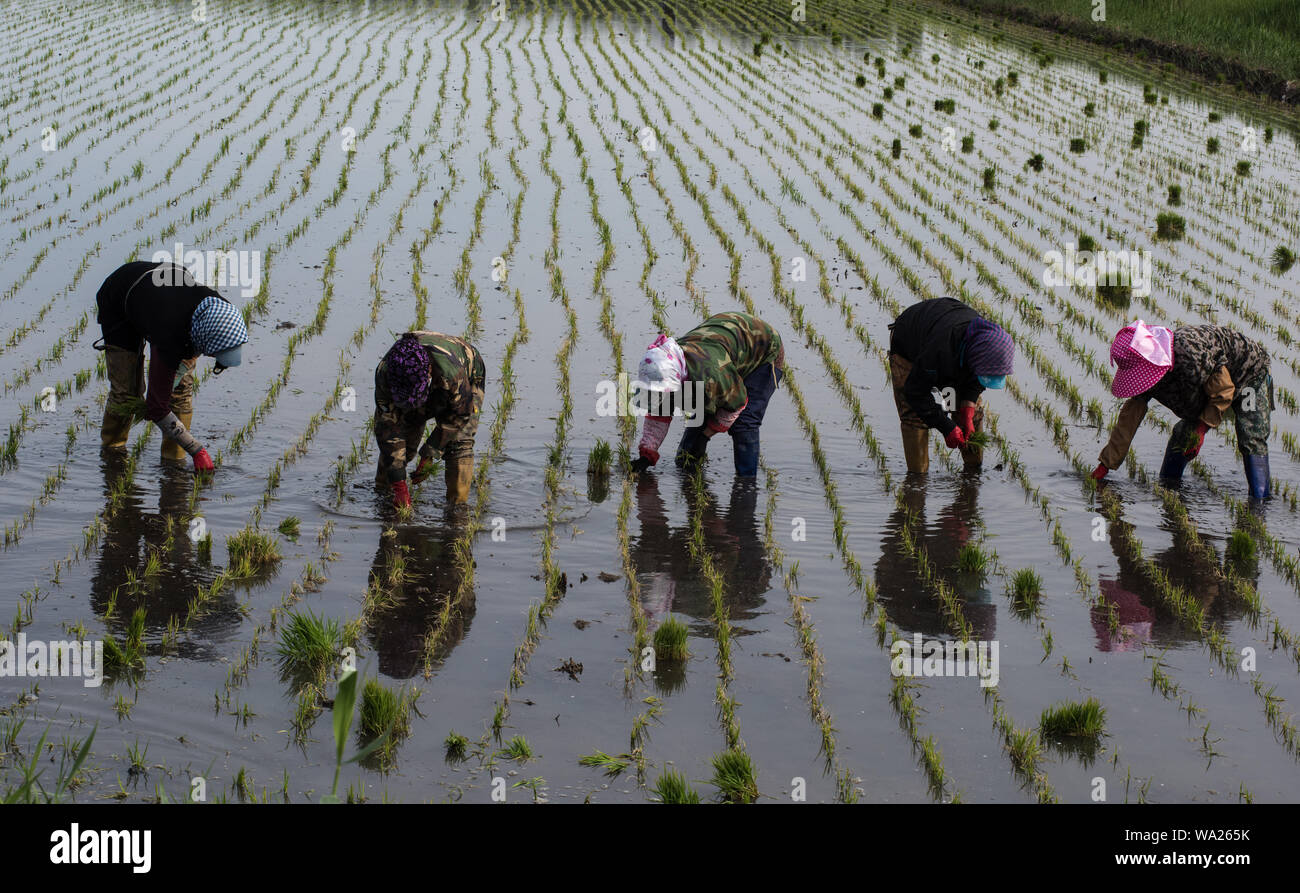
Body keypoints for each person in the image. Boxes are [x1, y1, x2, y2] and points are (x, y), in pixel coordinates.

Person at [95, 260, 247, 473]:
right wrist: (197, 450)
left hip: (164, 291)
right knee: (127, 391)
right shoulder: (170, 334)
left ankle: (173, 462)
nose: (210, 355)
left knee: (181, 392)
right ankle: (113, 452)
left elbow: (194, 355)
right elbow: (156, 407)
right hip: (120, 298)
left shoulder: (218, 311)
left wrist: (176, 378)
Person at [1091, 321, 1271, 498]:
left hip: (1250, 375)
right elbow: (1129, 420)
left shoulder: (1189, 355)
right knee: (1183, 436)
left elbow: (1224, 391)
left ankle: (1259, 504)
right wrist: (1105, 465)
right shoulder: (1147, 373)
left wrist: (1201, 430)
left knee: (1251, 435)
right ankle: (1169, 489)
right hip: (1207, 385)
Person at [628, 311, 783, 477]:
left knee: (745, 422)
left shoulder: (711, 374)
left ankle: (746, 482)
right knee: (703, 404)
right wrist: (647, 454)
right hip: (724, 346)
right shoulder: (664, 365)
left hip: (764, 349)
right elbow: (660, 413)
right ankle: (686, 464)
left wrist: (705, 436)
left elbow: (737, 403)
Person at [888, 297, 1014, 473]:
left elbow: (974, 379)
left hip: (953, 354)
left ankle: (972, 472)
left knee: (964, 411)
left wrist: (967, 410)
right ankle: (917, 481)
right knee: (914, 415)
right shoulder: (938, 351)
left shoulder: (985, 344)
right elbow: (915, 392)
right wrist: (945, 426)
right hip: (910, 345)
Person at [374, 331, 484, 509]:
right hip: (420, 381)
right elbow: (388, 428)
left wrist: (430, 453)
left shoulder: (453, 374)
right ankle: (383, 494)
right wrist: (399, 486)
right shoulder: (385, 374)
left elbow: (459, 416)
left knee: (459, 443)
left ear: (430, 372)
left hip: (466, 373)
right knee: (402, 435)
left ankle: (456, 510)